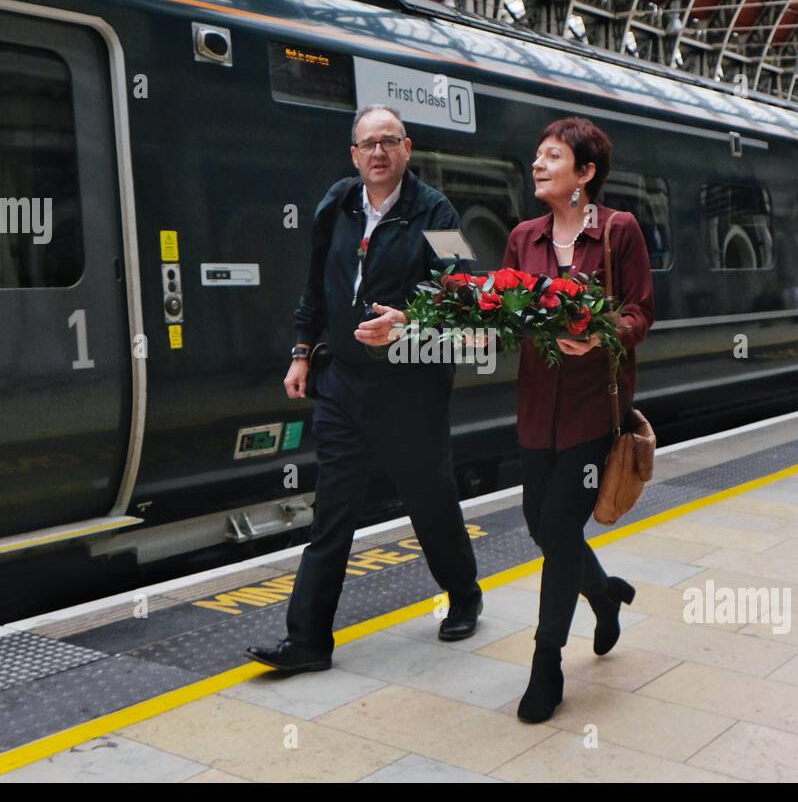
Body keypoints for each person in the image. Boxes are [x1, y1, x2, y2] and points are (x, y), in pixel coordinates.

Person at [246, 105, 484, 673]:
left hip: (411, 386)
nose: (378, 152)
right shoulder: (337, 205)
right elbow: (315, 288)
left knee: (429, 501)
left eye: (389, 141)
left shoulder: (437, 212)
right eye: (367, 144)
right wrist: (303, 351)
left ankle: (464, 594)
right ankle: (307, 642)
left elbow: (467, 294)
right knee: (332, 512)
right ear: (354, 156)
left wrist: (407, 321)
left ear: (407, 149)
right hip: (344, 384)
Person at [501, 117, 655, 722]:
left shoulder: (619, 231)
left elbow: (641, 311)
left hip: (595, 412)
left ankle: (547, 665)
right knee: (542, 525)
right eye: (536, 155)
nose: (538, 165)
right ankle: (606, 595)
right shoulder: (523, 237)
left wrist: (598, 335)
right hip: (537, 411)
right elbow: (502, 309)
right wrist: (416, 324)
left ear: (585, 173)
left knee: (559, 530)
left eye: (553, 156)